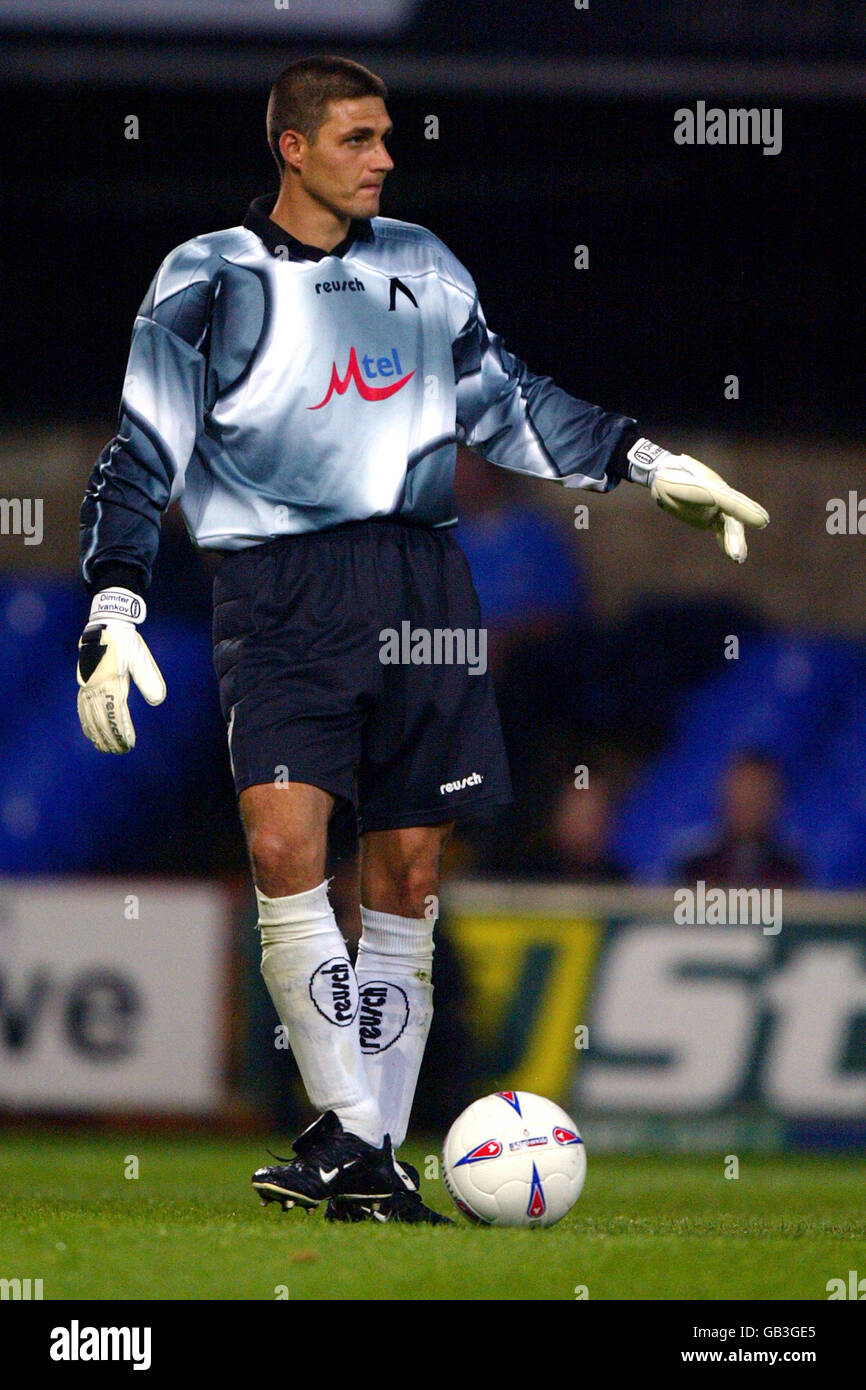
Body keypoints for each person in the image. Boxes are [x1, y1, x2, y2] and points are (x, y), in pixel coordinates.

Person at [75, 55, 769, 1225]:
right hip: (277, 588)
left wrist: (646, 465)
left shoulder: (422, 264)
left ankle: (368, 1154)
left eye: (388, 136)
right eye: (358, 138)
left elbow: (505, 398)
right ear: (291, 148)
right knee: (284, 842)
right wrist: (112, 601)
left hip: (419, 585)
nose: (385, 157)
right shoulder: (206, 278)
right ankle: (352, 1135)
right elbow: (142, 451)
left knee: (404, 875)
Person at [675, 749, 803, 887]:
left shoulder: (791, 871)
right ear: (723, 796)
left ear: (776, 801)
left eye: (758, 796)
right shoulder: (695, 866)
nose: (748, 805)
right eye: (741, 795)